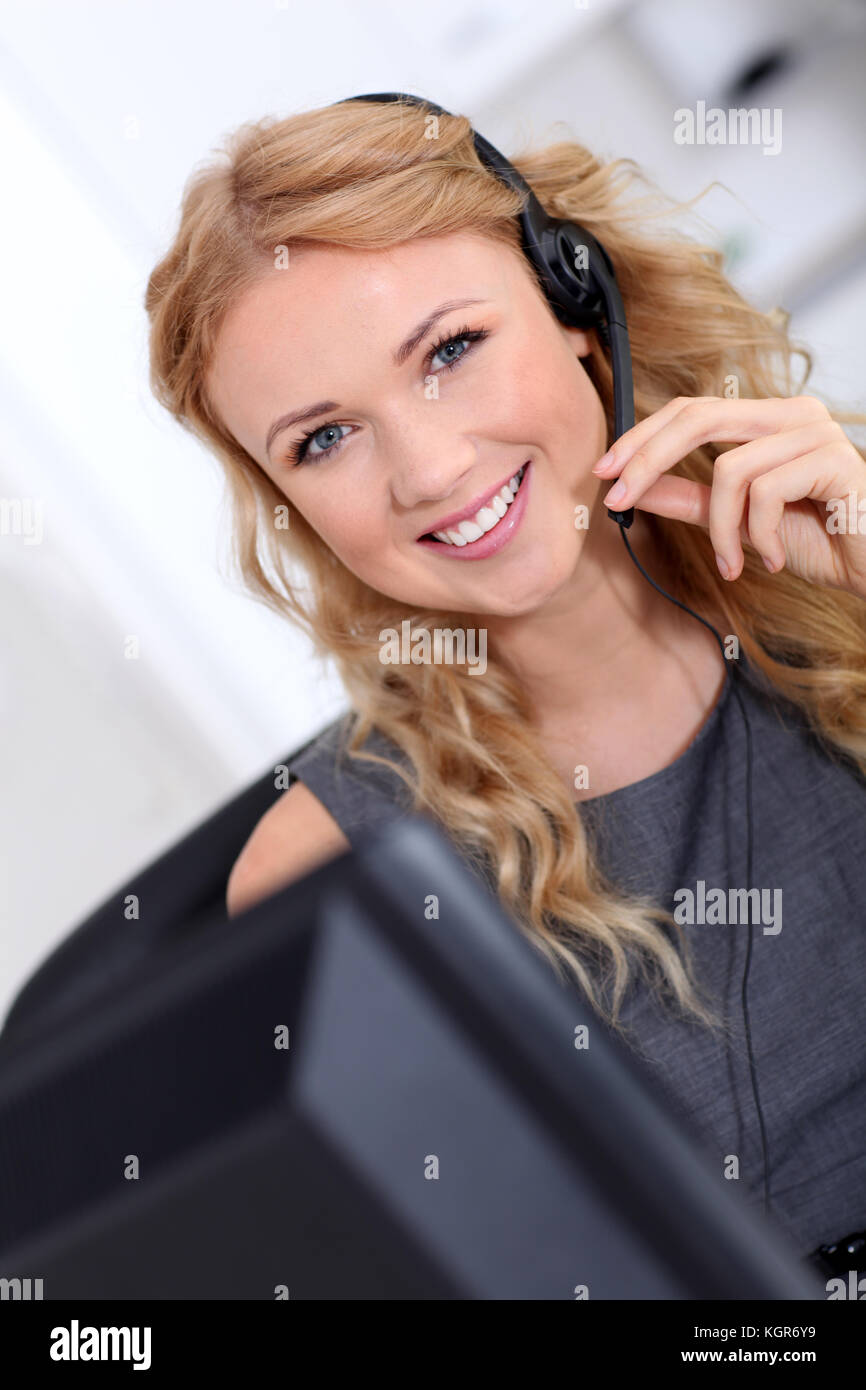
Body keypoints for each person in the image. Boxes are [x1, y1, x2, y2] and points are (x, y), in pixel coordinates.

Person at [144, 97, 866, 1275]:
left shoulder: (837, 549)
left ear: (575, 305)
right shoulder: (325, 865)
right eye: (323, 439)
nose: (428, 469)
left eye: (448, 351)